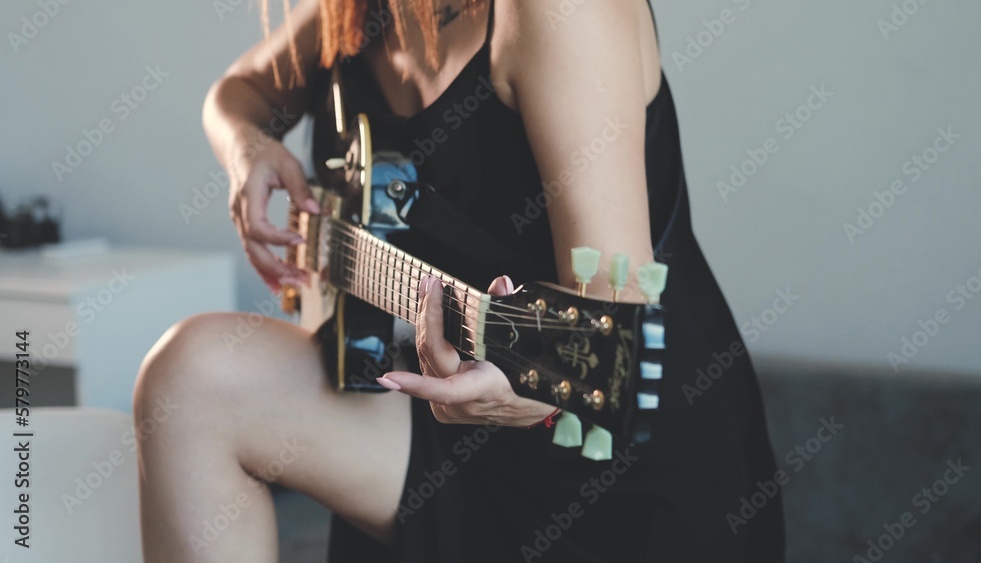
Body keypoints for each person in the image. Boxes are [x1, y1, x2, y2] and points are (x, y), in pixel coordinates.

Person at [133, 0, 785, 561]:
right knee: (188, 381)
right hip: (443, 415)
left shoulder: (558, 14)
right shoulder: (356, 13)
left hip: (624, 464)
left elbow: (608, 318)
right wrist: (247, 149)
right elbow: (237, 93)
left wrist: (524, 392)